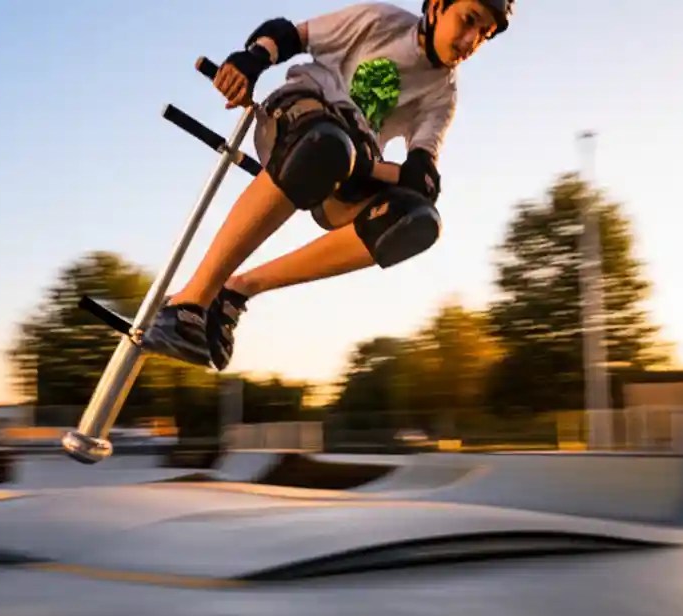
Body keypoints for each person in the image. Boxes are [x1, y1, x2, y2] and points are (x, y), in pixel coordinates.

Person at [140, 0, 515, 369]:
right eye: (468, 21)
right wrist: (251, 61)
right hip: (297, 114)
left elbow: (423, 178)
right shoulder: (380, 21)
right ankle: (187, 304)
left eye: (484, 35)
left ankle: (238, 290)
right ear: (435, 6)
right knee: (329, 147)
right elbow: (289, 35)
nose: (470, 41)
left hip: (349, 164)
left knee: (414, 219)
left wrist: (369, 168)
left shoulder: (442, 94)